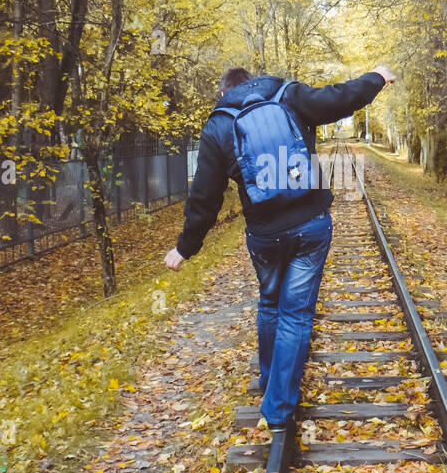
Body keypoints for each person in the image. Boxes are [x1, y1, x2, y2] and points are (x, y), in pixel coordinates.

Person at [164, 65, 395, 430]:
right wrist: (376, 77)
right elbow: (340, 97)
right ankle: (278, 409)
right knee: (296, 314)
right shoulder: (289, 95)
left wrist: (185, 248)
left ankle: (269, 381)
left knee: (271, 303)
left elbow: (204, 198)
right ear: (254, 81)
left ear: (224, 92)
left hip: (265, 236)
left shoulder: (218, 125)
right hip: (311, 226)